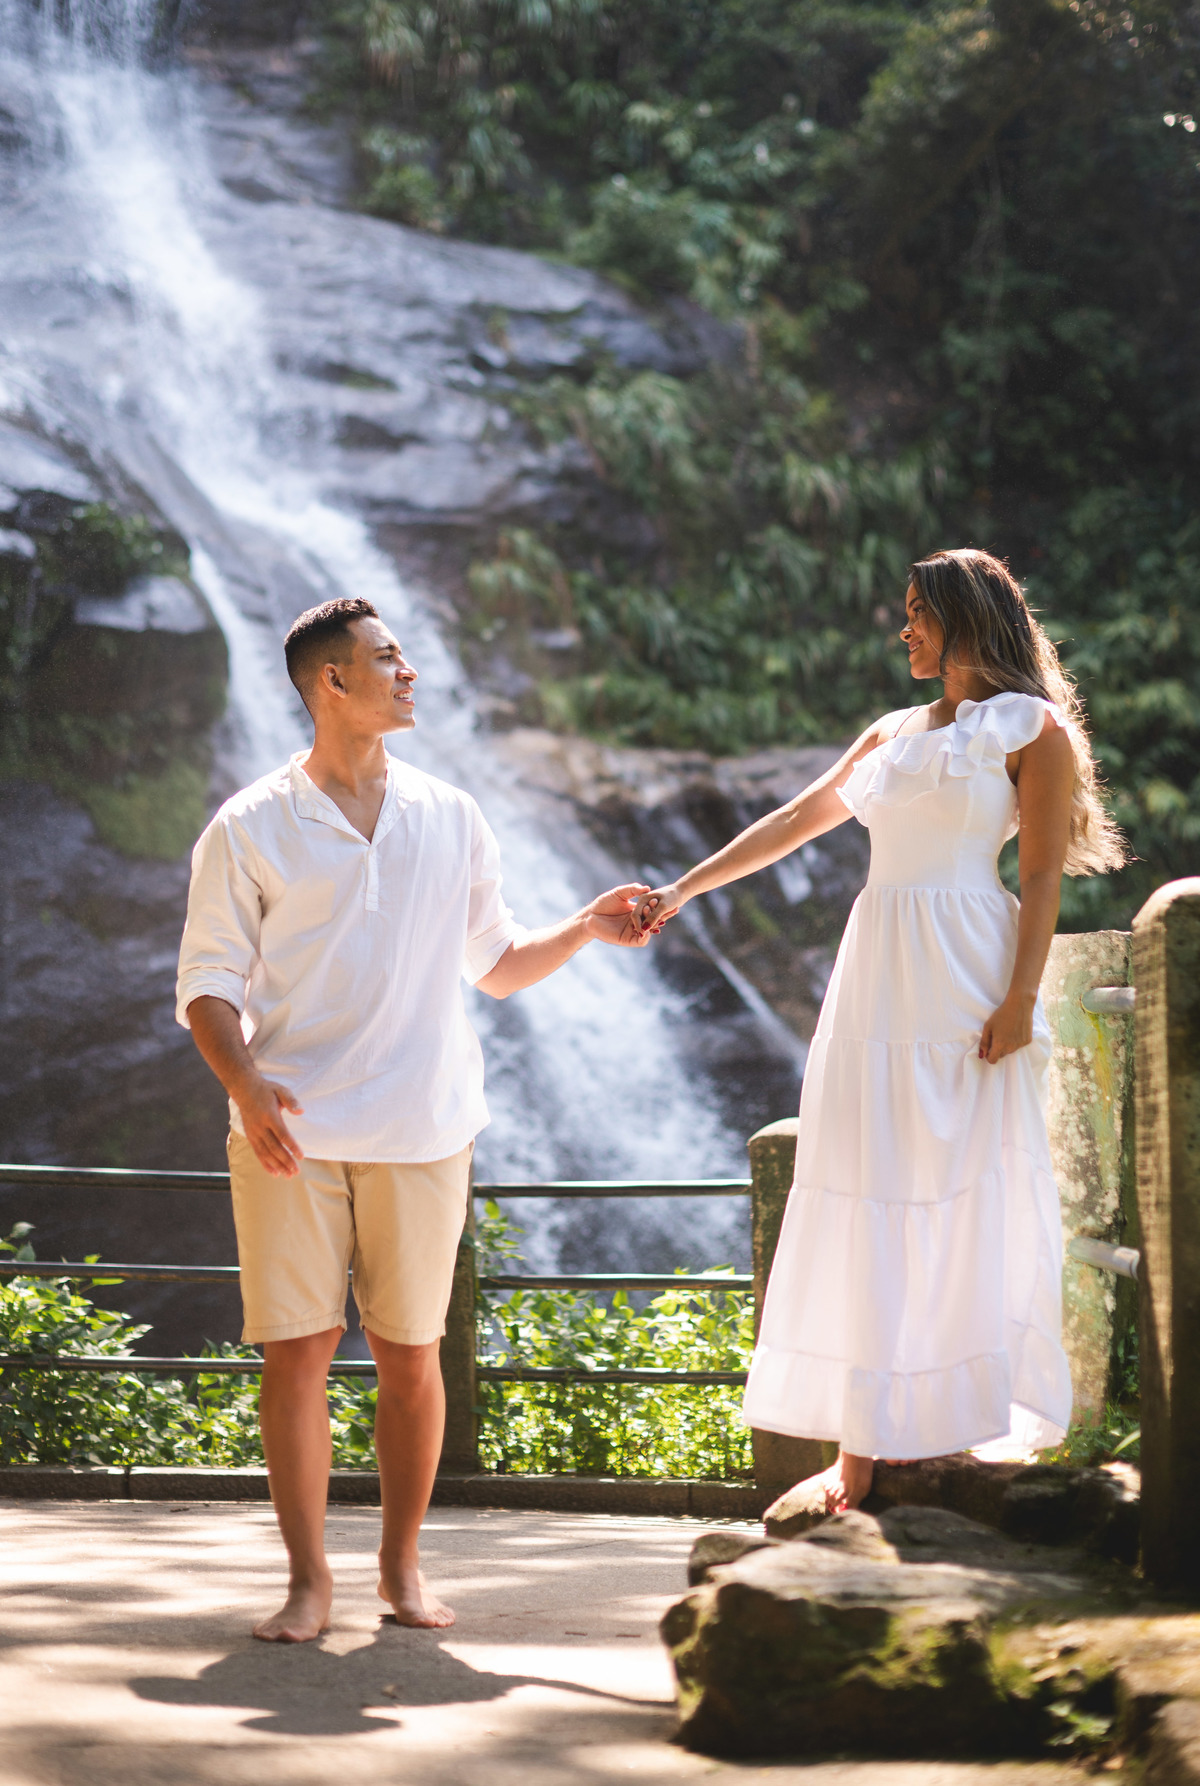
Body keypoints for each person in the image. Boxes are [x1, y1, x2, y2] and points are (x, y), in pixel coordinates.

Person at [177, 595, 650, 1642]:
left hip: (427, 1126)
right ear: (331, 683)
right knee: (297, 1353)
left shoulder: (452, 813)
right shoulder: (252, 825)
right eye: (387, 659)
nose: (410, 672)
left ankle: (400, 1570)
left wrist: (583, 925)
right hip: (287, 1129)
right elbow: (207, 983)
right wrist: (249, 1086)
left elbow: (497, 964)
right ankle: (309, 1581)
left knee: (410, 1356)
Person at [634, 549, 1124, 1513]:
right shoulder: (890, 735)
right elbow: (796, 819)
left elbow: (1036, 879)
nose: (903, 631)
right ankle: (860, 1450)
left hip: (968, 965)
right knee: (868, 1184)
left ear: (967, 620)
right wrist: (682, 889)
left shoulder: (1031, 728)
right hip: (878, 972)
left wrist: (1020, 999)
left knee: (959, 1179)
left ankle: (959, 1432)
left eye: (918, 614)